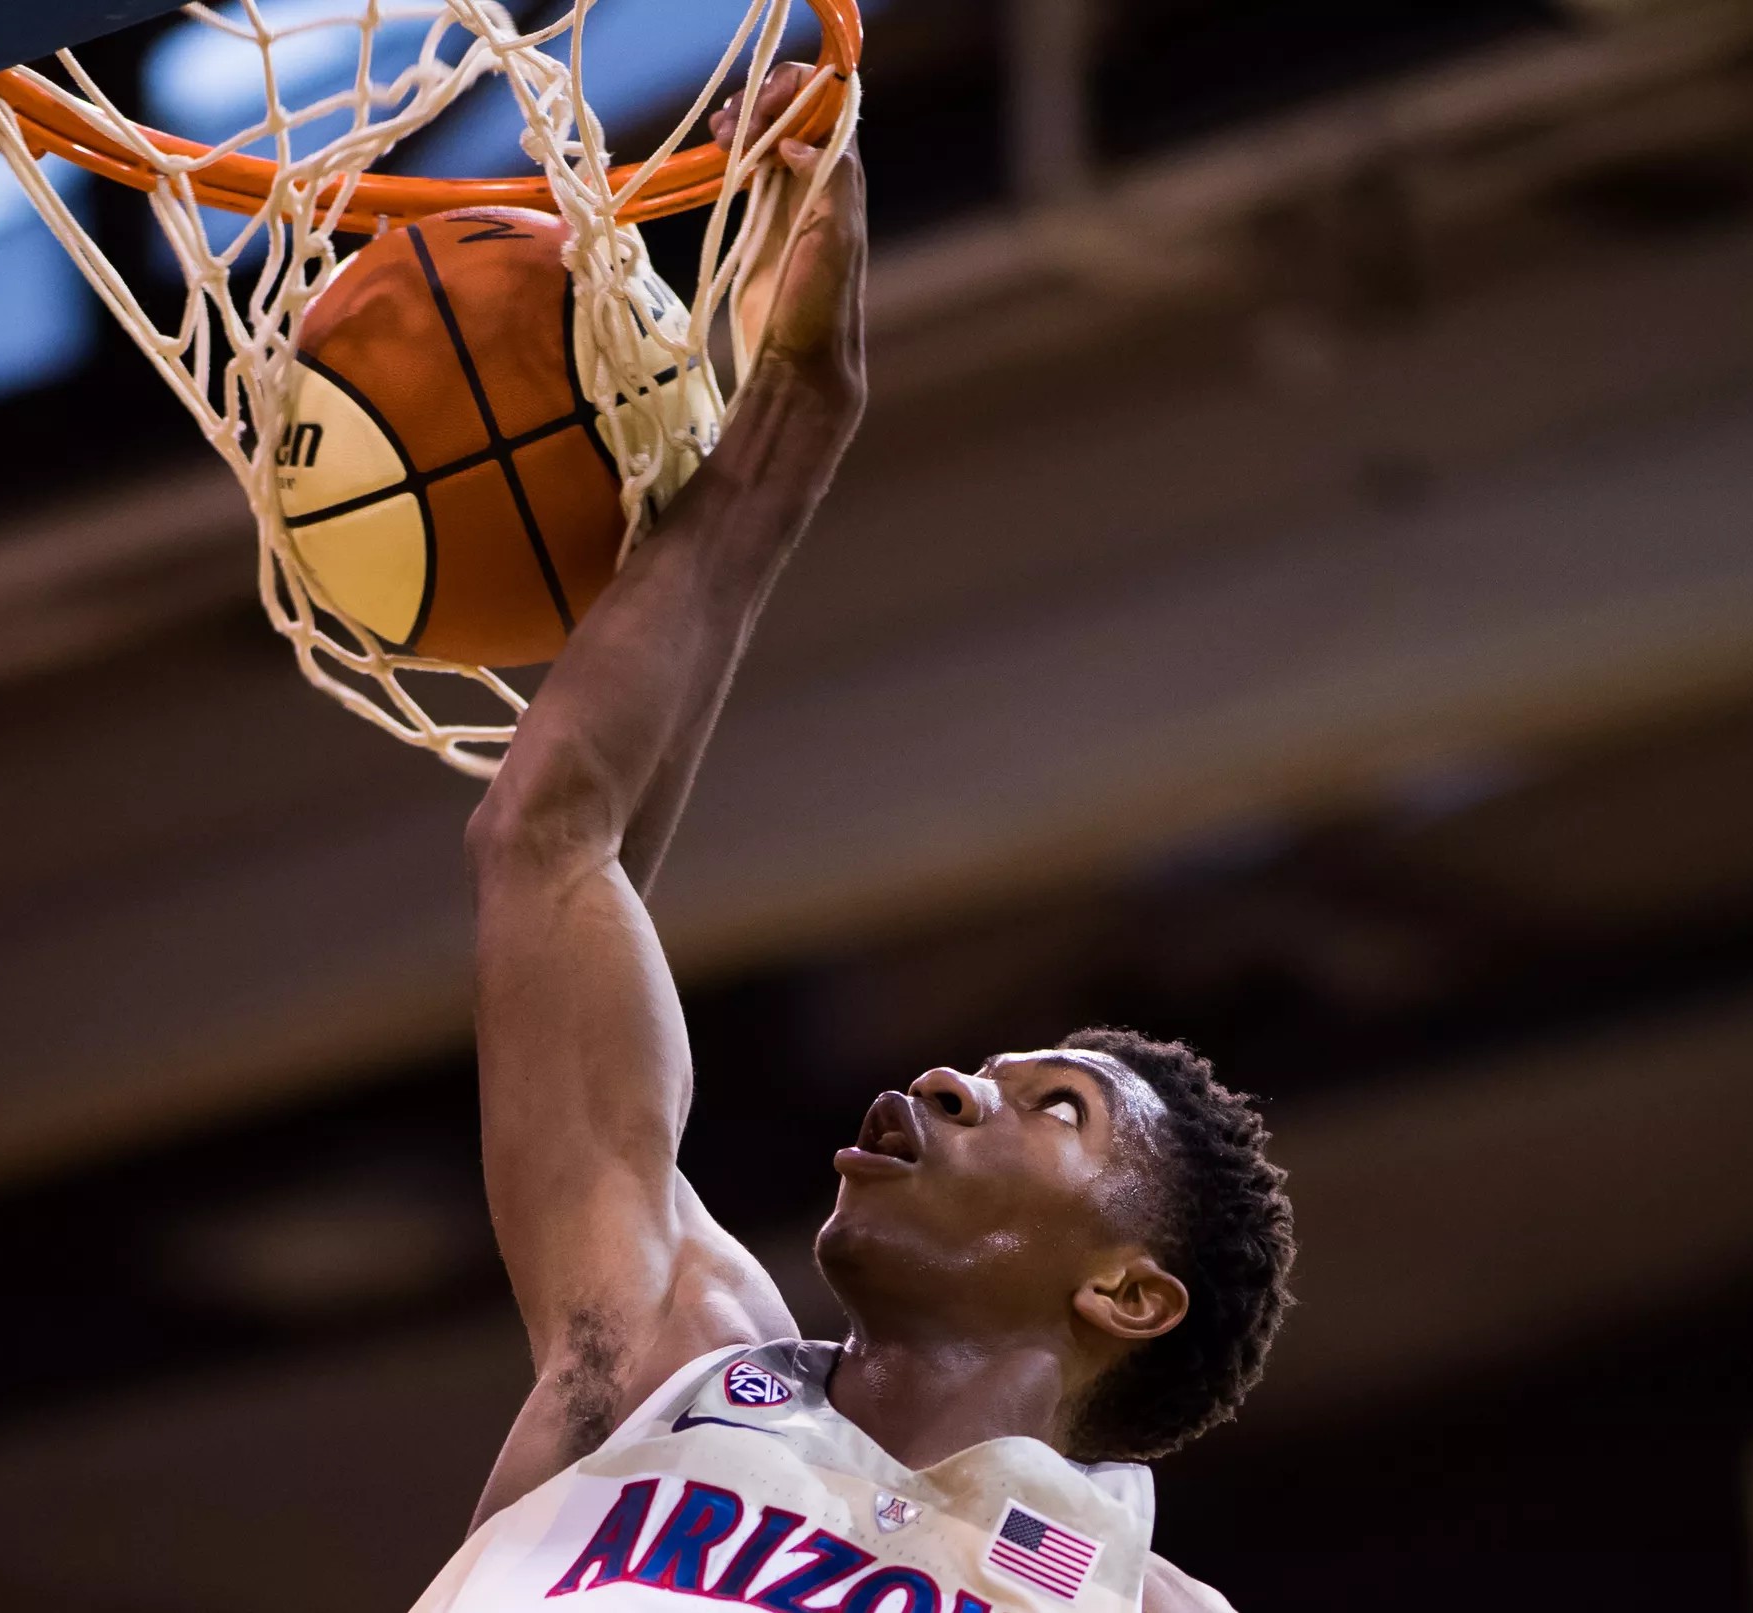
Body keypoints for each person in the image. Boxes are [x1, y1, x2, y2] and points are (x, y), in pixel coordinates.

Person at [413, 66, 1295, 1613]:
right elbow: (549, 842)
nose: (955, 1077)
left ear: (1130, 1290)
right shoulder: (667, 1337)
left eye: (1058, 1107)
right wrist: (786, 436)